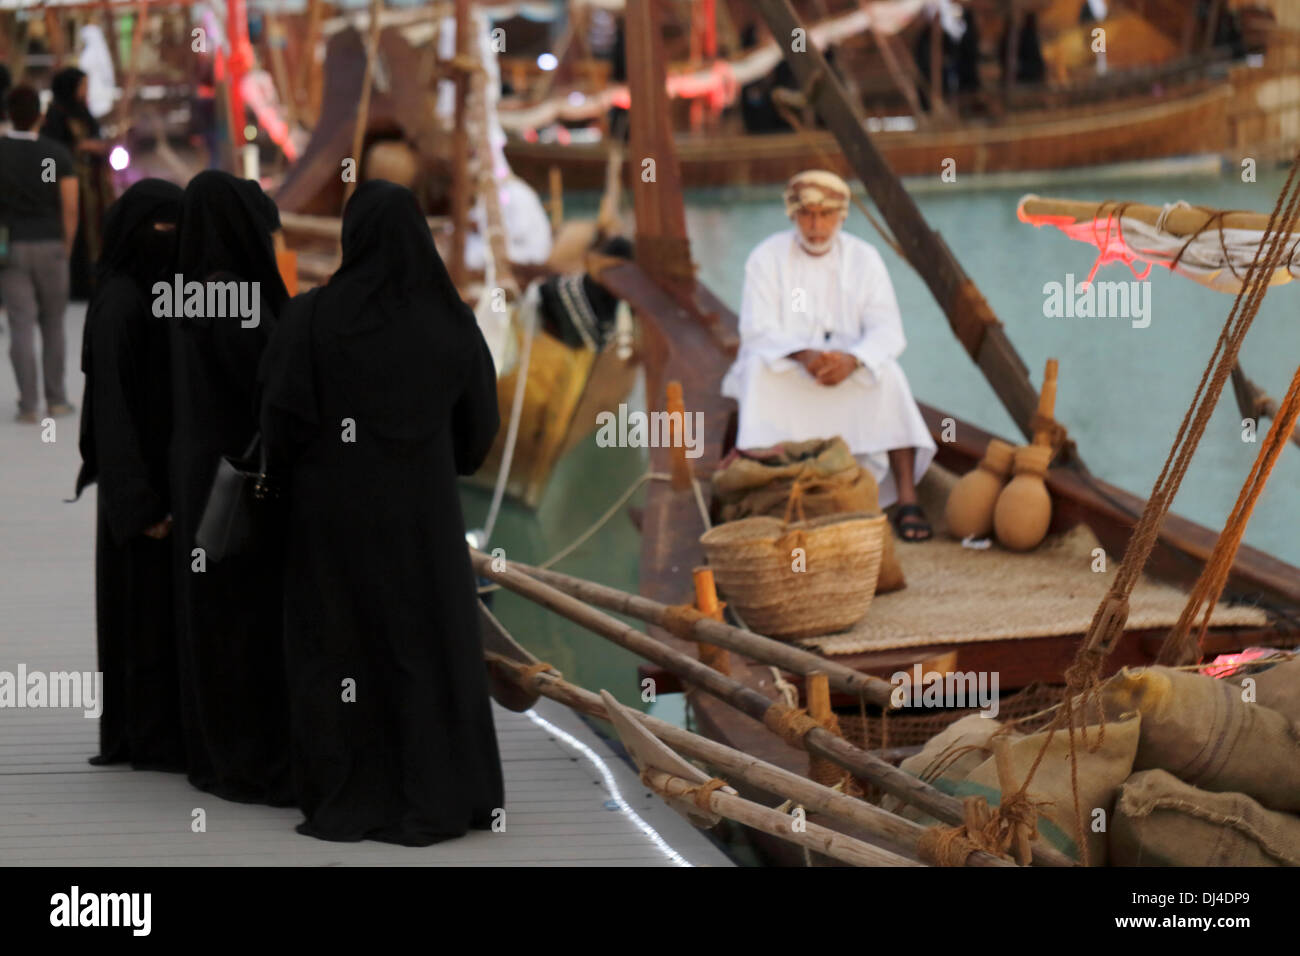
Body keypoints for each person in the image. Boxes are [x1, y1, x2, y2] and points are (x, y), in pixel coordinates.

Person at [260, 180, 504, 844]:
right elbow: (478, 432)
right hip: (421, 518)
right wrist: (426, 458)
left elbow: (279, 423)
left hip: (330, 520)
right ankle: (440, 793)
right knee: (424, 649)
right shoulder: (450, 322)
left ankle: (351, 792)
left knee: (339, 652)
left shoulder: (310, 318)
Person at [720, 170, 937, 540]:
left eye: (825, 215)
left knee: (891, 378)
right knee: (757, 374)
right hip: (790, 367)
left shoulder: (864, 259)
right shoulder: (766, 258)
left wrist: (852, 360)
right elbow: (758, 330)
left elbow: (887, 329)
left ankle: (906, 498)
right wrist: (805, 356)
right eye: (806, 214)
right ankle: (773, 490)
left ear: (842, 215)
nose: (816, 225)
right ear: (792, 215)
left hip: (847, 368)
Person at [169, 170, 293, 805]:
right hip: (239, 483)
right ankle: (248, 760)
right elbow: (267, 390)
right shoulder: (236, 302)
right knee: (242, 619)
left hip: (199, 479)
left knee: (210, 619)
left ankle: (215, 752)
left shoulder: (191, 294)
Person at [73, 179, 186, 771]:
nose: (168, 241)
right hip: (138, 492)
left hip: (157, 482)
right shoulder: (121, 302)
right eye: (160, 230)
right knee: (137, 613)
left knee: (148, 615)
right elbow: (112, 412)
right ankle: (143, 737)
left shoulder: (151, 292)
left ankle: (147, 730)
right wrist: (138, 503)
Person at [0, 85, 78, 423]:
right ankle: (56, 399)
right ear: (40, 117)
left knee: (20, 324)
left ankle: (29, 404)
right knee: (53, 323)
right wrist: (67, 246)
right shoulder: (56, 154)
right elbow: (70, 207)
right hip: (51, 244)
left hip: (12, 246)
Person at [41, 67, 113, 301]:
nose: (85, 91)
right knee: (76, 231)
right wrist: (80, 148)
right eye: (82, 86)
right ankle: (76, 284)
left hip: (93, 187)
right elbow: (49, 156)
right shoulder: (55, 116)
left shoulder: (84, 113)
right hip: (70, 188)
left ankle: (95, 281)